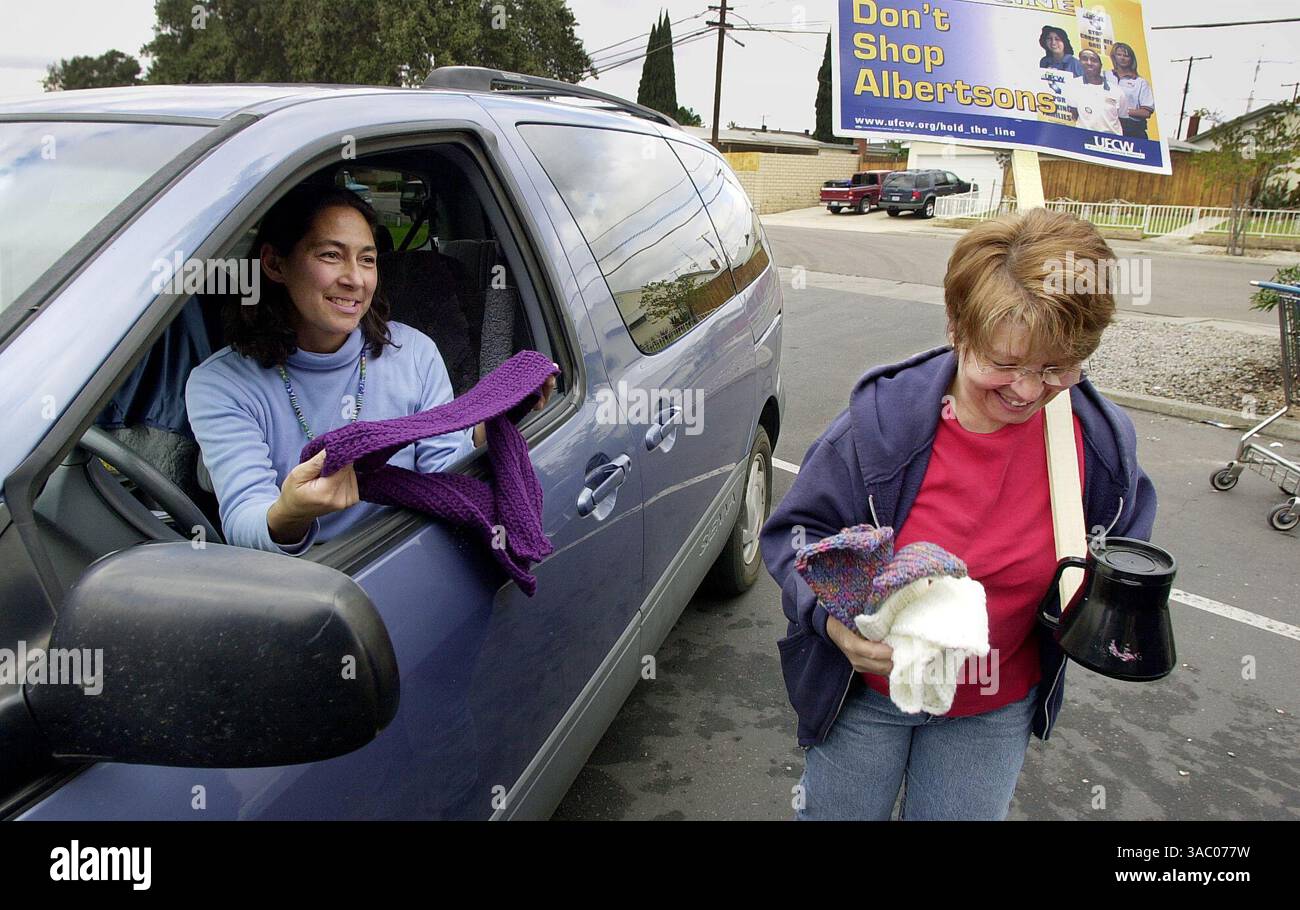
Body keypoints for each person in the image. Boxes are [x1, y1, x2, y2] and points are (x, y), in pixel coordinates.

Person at [761, 209, 1157, 820]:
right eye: (1004, 363)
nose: (1028, 390)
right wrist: (832, 625)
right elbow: (794, 535)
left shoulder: (1096, 445)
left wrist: (1110, 603)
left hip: (994, 700)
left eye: (1055, 368)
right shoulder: (881, 431)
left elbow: (1123, 538)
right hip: (867, 690)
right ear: (957, 327)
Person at [186, 184, 554, 554]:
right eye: (331, 255)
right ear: (274, 263)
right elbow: (243, 518)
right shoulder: (220, 385)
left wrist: (487, 424)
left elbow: (443, 471)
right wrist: (290, 512)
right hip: (310, 584)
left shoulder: (414, 352)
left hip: (418, 557)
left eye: (367, 259)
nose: (355, 279)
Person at [1068, 48, 1128, 134]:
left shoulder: (1117, 91)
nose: (1089, 63)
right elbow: (1074, 113)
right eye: (1084, 59)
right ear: (1080, 63)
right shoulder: (1073, 85)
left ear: (1101, 65)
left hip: (1112, 140)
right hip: (1083, 137)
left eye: (1093, 60)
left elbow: (1123, 118)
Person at [1108, 42, 1156, 139]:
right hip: (1106, 125)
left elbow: (1146, 112)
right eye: (1119, 54)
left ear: (1131, 59)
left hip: (1132, 129)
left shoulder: (1141, 82)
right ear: (1114, 57)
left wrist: (1122, 111)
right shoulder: (1105, 75)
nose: (1122, 58)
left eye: (1126, 55)